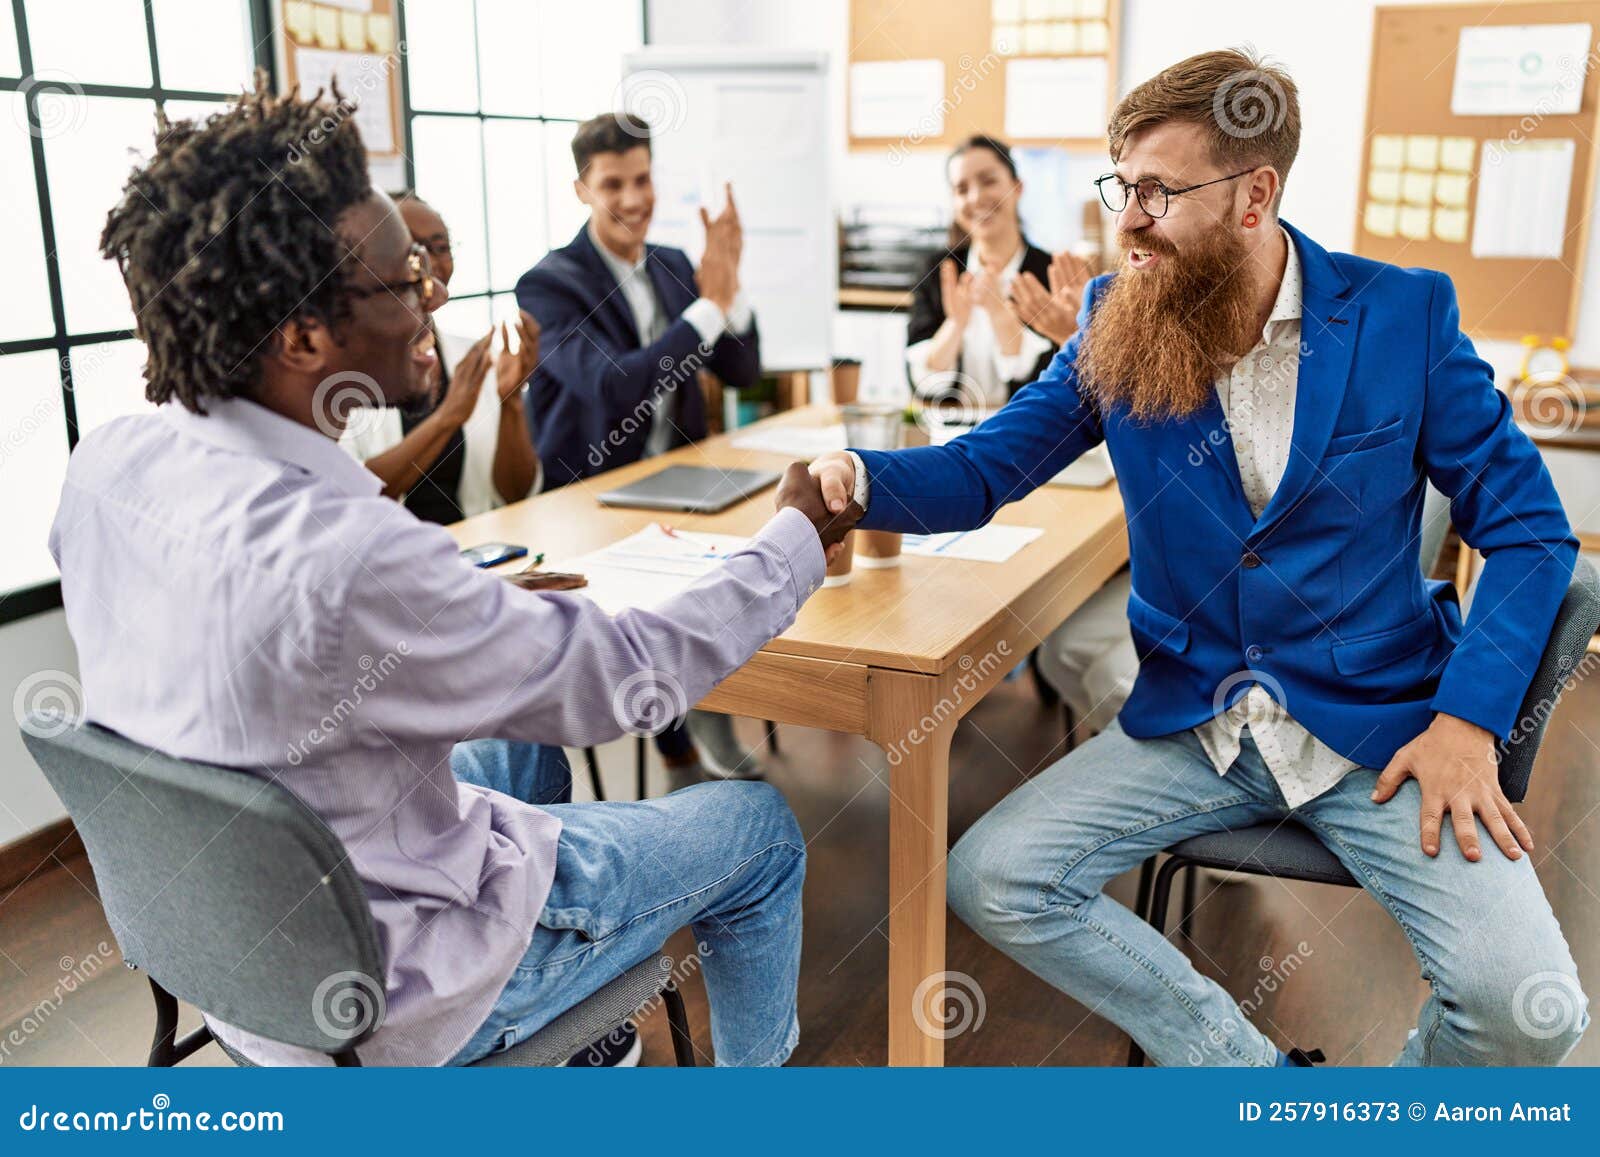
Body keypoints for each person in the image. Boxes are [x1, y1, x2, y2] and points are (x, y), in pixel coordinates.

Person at [809, 49, 1587, 1067]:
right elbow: (985, 468)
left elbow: (1531, 525)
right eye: (1120, 187)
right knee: (993, 874)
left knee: (1530, 1009)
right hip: (1191, 725)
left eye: (1157, 192)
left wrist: (1467, 721)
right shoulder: (1113, 320)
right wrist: (856, 480)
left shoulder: (1402, 317)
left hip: (1377, 731)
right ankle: (1249, 1077)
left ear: (1254, 194)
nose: (1125, 219)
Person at [60, 84, 856, 1067]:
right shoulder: (348, 555)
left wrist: (455, 617)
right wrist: (789, 537)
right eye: (404, 281)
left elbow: (259, 607)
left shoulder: (109, 465)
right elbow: (620, 678)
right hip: (402, 994)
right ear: (306, 337)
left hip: (241, 955)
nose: (432, 297)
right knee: (759, 825)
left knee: (521, 763)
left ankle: (577, 1034)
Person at [516, 110, 767, 782]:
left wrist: (729, 289)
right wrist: (707, 309)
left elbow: (743, 372)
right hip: (592, 499)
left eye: (642, 178)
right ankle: (686, 715)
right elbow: (612, 388)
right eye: (612, 184)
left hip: (679, 483)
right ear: (581, 190)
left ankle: (699, 703)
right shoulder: (551, 284)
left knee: (760, 551)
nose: (633, 199)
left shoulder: (674, 266)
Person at [340, 192, 542, 524]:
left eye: (440, 247)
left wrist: (511, 403)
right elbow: (354, 497)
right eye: (413, 250)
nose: (431, 264)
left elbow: (517, 493)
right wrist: (447, 417)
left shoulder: (475, 359)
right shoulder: (345, 370)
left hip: (474, 555)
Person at [906, 134, 1091, 408]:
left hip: (1030, 435)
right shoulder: (938, 271)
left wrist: (999, 313)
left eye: (989, 181)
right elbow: (922, 385)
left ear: (1017, 187)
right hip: (949, 435)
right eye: (961, 188)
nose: (976, 197)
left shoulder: (1054, 274)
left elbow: (1057, 384)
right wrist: (956, 324)